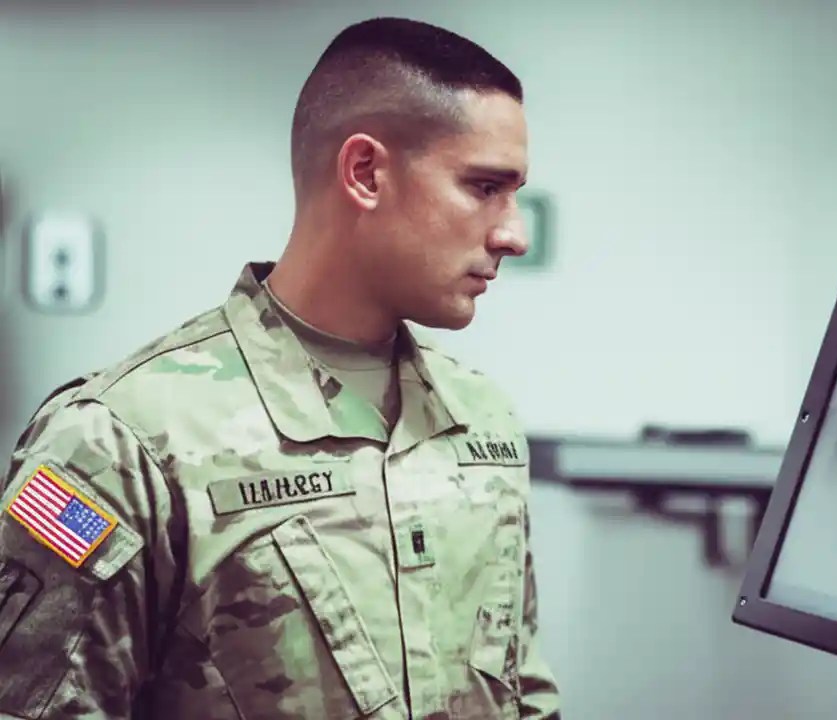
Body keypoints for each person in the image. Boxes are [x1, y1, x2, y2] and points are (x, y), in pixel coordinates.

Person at [0, 17, 560, 719]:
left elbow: (521, 687)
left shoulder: (483, 418)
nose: (514, 232)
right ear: (365, 173)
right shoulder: (124, 439)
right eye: (484, 187)